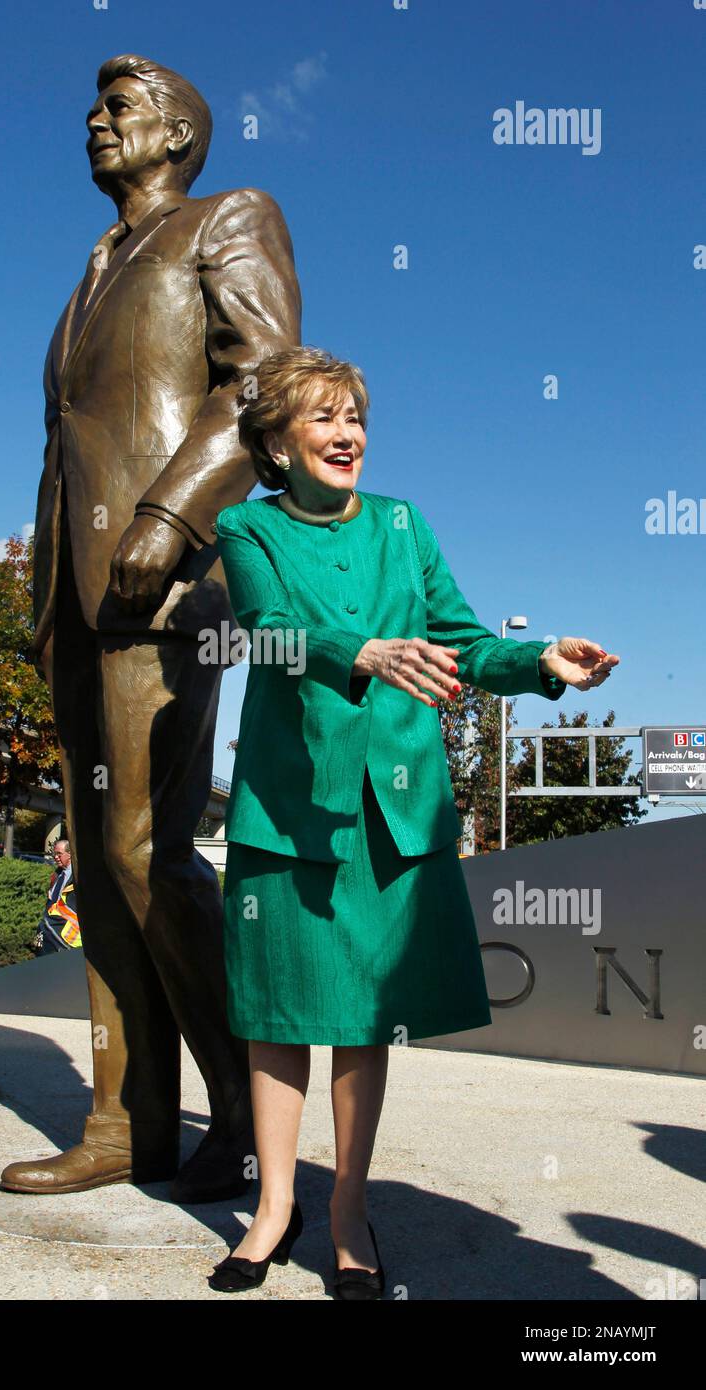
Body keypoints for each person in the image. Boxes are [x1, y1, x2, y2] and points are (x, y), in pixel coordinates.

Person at [208, 345, 619, 1297]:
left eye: (354, 416)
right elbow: (264, 633)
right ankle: (274, 1208)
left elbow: (466, 642)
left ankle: (348, 1210)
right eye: (322, 418)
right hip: (290, 803)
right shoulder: (244, 528)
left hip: (393, 808)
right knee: (277, 1016)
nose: (347, 434)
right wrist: (365, 650)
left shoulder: (405, 524)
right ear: (276, 440)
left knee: (363, 1019)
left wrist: (541, 661)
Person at [0, 53, 302, 1203]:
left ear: (178, 133)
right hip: (76, 599)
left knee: (145, 849)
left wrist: (172, 513)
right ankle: (126, 1124)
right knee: (101, 855)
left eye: (120, 109)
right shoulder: (92, 270)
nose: (95, 121)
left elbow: (263, 379)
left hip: (164, 583)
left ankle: (236, 1111)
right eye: (98, 107)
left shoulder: (227, 218)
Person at [35, 840, 81, 954]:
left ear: (70, 854)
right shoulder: (58, 874)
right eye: (54, 854)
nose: (55, 857)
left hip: (67, 935)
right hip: (49, 927)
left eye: (59, 854)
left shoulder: (78, 875)